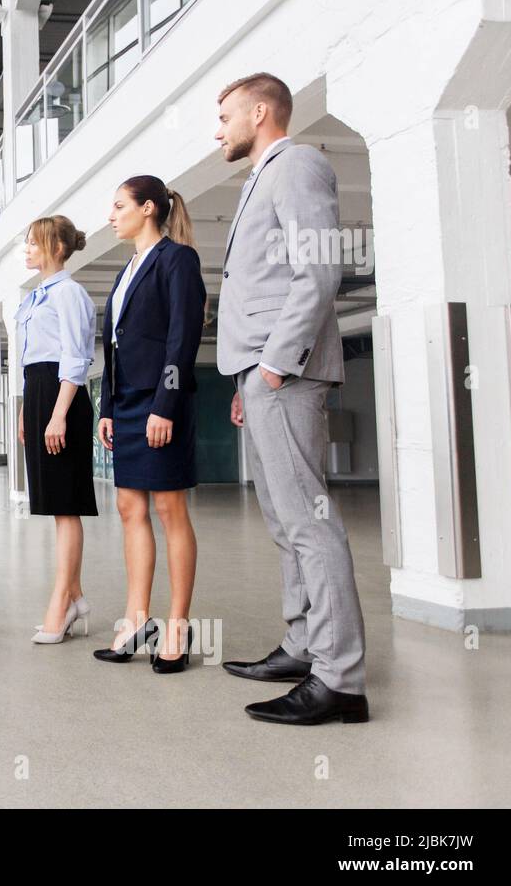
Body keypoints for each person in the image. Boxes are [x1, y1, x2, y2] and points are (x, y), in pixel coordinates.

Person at [214, 71, 368, 725]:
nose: (217, 129)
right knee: (284, 521)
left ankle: (341, 680)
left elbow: (320, 269)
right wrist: (250, 381)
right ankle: (305, 644)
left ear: (259, 111)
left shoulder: (298, 163)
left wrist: (274, 366)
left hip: (285, 371)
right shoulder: (260, 177)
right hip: (262, 376)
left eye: (224, 117)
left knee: (309, 521)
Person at [93, 177, 206, 673]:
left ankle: (177, 627)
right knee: (127, 507)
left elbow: (182, 336)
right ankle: (137, 621)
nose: (111, 216)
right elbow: (114, 347)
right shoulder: (125, 272)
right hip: (127, 403)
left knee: (169, 508)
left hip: (162, 401)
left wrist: (166, 403)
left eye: (119, 206)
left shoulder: (177, 259)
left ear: (148, 208)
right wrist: (106, 407)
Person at [15, 216, 99, 645]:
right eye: (26, 244)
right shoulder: (32, 298)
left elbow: (75, 358)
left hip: (61, 398)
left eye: (34, 243)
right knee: (53, 504)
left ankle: (61, 602)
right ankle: (77, 595)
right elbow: (29, 363)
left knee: (66, 506)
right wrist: (26, 411)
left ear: (58, 248)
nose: (27, 250)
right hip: (39, 395)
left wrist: (58, 414)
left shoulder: (69, 294)